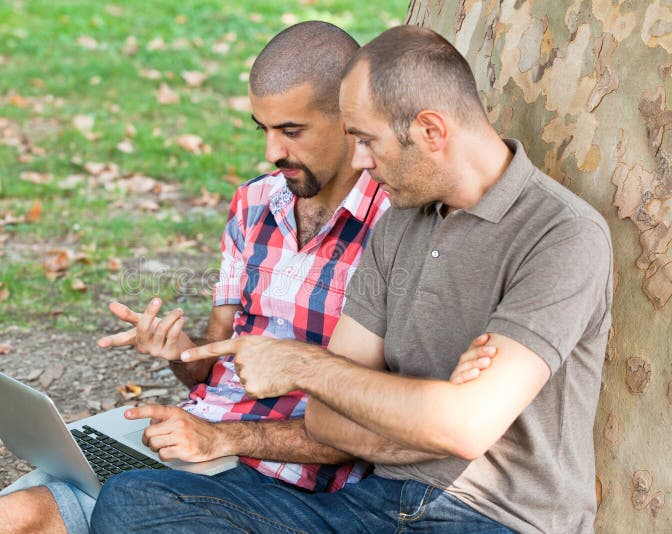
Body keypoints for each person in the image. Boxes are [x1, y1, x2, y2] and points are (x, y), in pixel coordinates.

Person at [0, 22, 493, 534]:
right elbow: (213, 363)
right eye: (260, 127)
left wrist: (225, 439)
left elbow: (388, 420)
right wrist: (179, 354)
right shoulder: (254, 204)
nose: (271, 151)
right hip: (194, 439)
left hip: (285, 480)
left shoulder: (397, 228)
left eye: (290, 130)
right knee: (13, 518)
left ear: (349, 121)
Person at [90, 25, 614, 534]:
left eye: (367, 141)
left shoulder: (564, 235)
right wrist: (440, 411)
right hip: (373, 506)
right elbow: (327, 422)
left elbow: (463, 427)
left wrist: (305, 364)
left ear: (431, 131)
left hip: (495, 516)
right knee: (134, 499)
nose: (359, 161)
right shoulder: (401, 223)